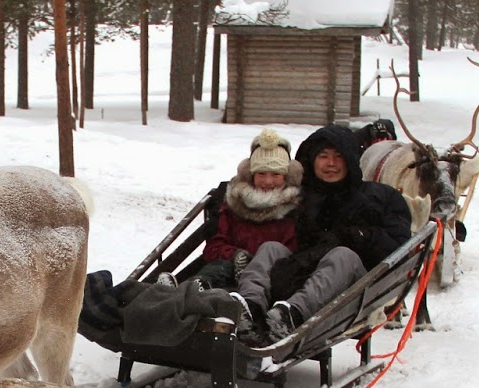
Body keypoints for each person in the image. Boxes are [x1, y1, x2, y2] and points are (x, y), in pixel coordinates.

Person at [231, 124, 412, 343]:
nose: (331, 164)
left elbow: (400, 246)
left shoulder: (380, 196)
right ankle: (250, 309)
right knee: (271, 248)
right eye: (323, 156)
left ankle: (292, 317)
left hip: (354, 287)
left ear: (350, 159)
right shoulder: (302, 197)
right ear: (313, 160)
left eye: (338, 156)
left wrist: (363, 235)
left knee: (342, 255)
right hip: (304, 272)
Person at [171, 128, 304, 291]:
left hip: (268, 281)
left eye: (276, 174)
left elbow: (294, 253)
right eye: (261, 173)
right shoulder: (235, 203)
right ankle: (185, 288)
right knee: (218, 270)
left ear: (286, 176)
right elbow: (214, 246)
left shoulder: (296, 209)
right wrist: (235, 256)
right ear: (251, 174)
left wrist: (258, 262)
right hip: (226, 275)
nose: (268, 181)